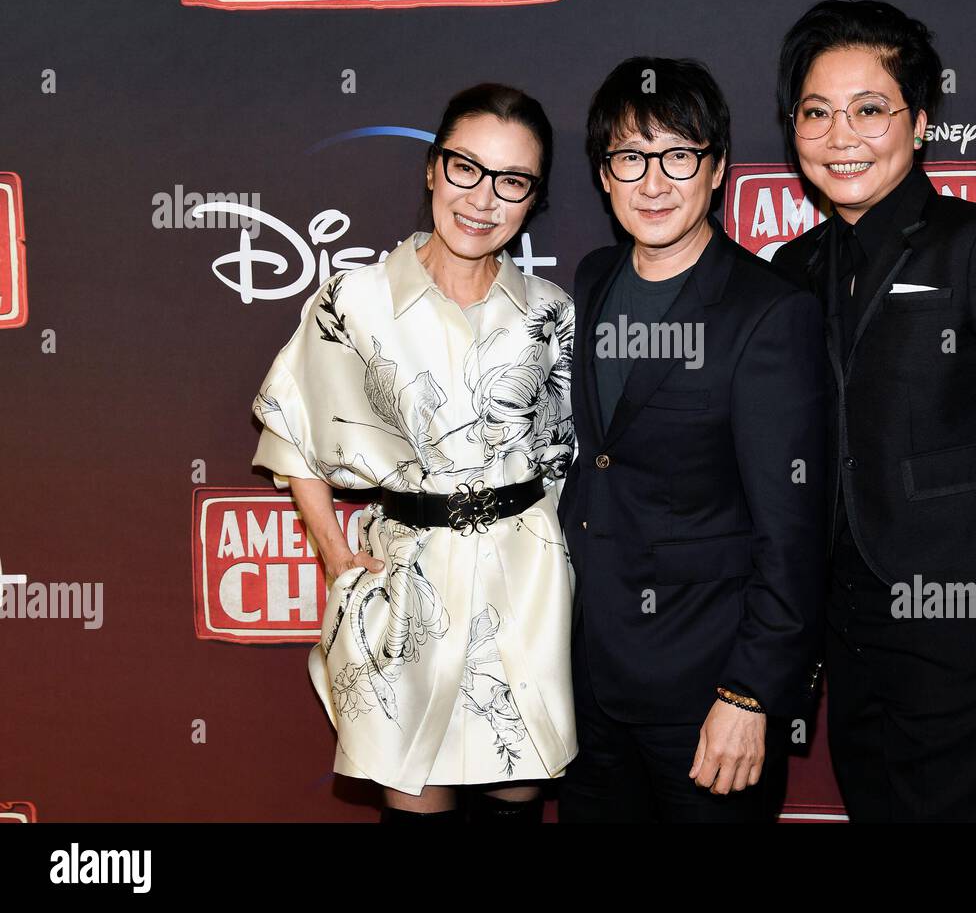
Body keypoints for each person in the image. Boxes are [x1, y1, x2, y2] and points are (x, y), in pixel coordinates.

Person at [771, 0, 976, 822]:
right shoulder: (794, 265)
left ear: (918, 123)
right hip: (844, 623)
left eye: (869, 109)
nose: (841, 135)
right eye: (817, 112)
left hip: (961, 620)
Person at [250, 83, 577, 823]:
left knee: (515, 794)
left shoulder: (550, 311)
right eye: (465, 167)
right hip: (407, 584)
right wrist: (335, 554)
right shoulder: (354, 300)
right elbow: (292, 429)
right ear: (432, 168)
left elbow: (562, 452)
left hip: (522, 583)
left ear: (532, 200)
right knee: (413, 794)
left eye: (512, 181)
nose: (483, 198)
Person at [556, 57, 828, 823]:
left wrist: (750, 691)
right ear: (603, 175)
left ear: (717, 171)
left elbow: (793, 527)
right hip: (588, 680)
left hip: (705, 689)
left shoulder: (768, 312)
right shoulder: (594, 276)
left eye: (679, 155)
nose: (653, 182)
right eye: (629, 157)